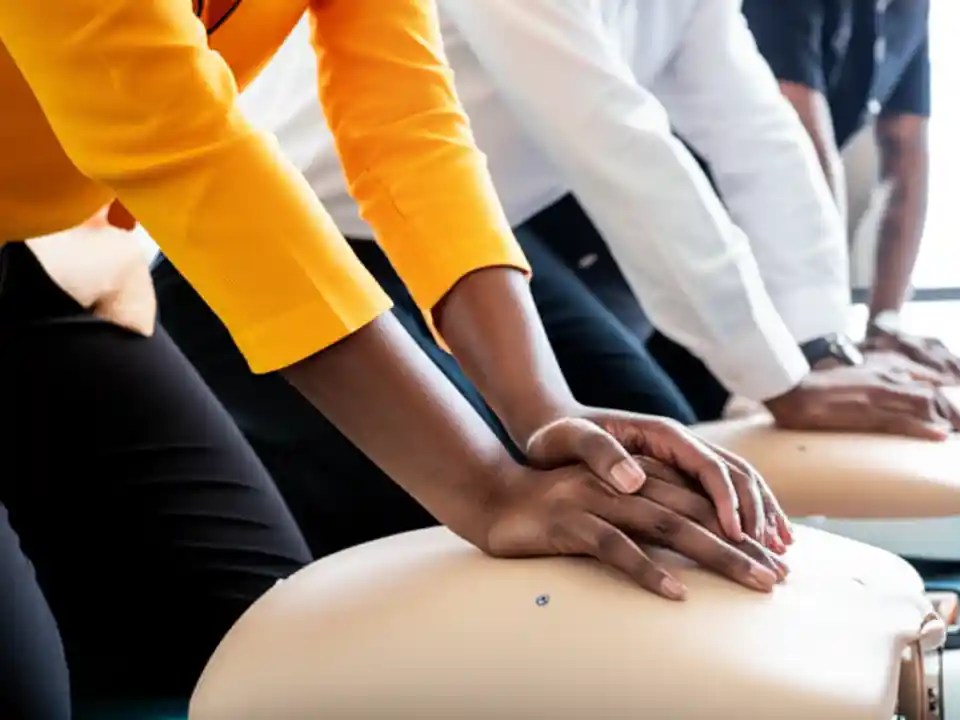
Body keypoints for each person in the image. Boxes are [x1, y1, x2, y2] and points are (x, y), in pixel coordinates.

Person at [0, 2, 786, 715]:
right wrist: (485, 485)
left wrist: (543, 408)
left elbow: (407, 120)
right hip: (138, 220)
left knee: (252, 643)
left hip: (60, 266)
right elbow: (184, 136)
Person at [211, 0, 960, 446]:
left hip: (461, 244)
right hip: (315, 240)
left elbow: (757, 135)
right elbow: (614, 139)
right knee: (501, 478)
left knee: (660, 433)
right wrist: (781, 380)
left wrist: (818, 344)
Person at [742, 0, 960, 379]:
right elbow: (804, 158)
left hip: (772, 254)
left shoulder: (909, 9)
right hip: (680, 239)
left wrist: (885, 324)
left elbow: (906, 156)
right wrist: (827, 340)